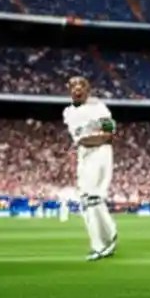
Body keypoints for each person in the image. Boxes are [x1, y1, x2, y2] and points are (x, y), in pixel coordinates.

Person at [61, 76, 118, 261]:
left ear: (88, 89)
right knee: (85, 199)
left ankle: (104, 243)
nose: (77, 88)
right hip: (84, 155)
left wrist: (93, 139)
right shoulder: (68, 112)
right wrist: (85, 141)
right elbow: (78, 137)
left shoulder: (98, 107)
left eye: (82, 85)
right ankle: (105, 237)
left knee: (93, 197)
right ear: (68, 89)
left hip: (100, 152)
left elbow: (110, 132)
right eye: (73, 85)